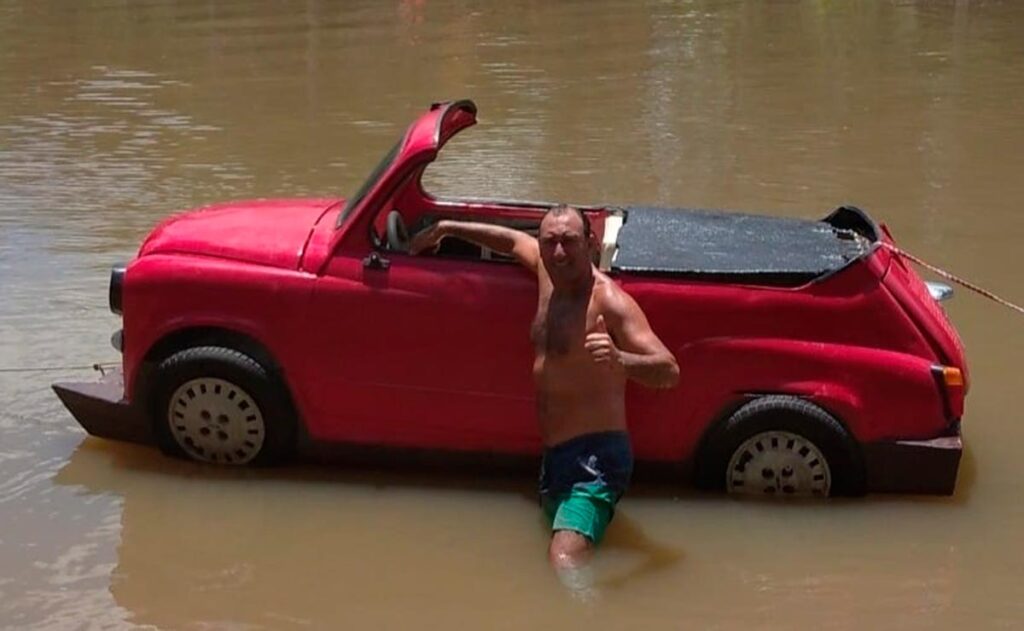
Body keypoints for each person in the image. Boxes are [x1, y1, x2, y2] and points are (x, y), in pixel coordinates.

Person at [410, 204, 679, 572]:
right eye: (549, 242)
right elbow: (510, 240)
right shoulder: (546, 274)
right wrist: (446, 228)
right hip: (556, 458)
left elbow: (669, 370)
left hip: (595, 461)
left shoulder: (609, 302)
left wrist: (621, 361)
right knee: (569, 552)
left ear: (590, 243)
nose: (558, 253)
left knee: (564, 561)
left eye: (569, 242)